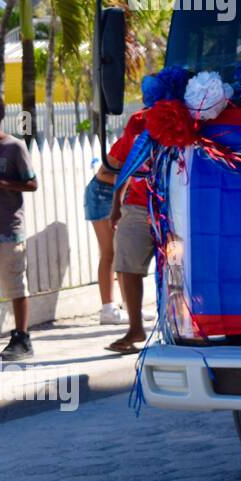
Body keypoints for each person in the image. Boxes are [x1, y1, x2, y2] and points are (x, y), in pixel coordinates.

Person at [0, 90, 39, 362]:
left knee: (15, 284)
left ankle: (22, 337)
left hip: (9, 229)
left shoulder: (14, 147)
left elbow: (32, 184)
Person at [104, 110, 156, 354]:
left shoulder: (197, 113)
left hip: (178, 203)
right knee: (126, 266)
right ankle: (136, 328)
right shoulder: (139, 120)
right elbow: (127, 162)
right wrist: (116, 206)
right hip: (137, 205)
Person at [84, 156, 124, 324]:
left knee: (124, 253)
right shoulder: (127, 144)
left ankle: (129, 304)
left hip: (119, 196)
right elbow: (104, 173)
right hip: (102, 194)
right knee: (109, 253)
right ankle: (107, 308)